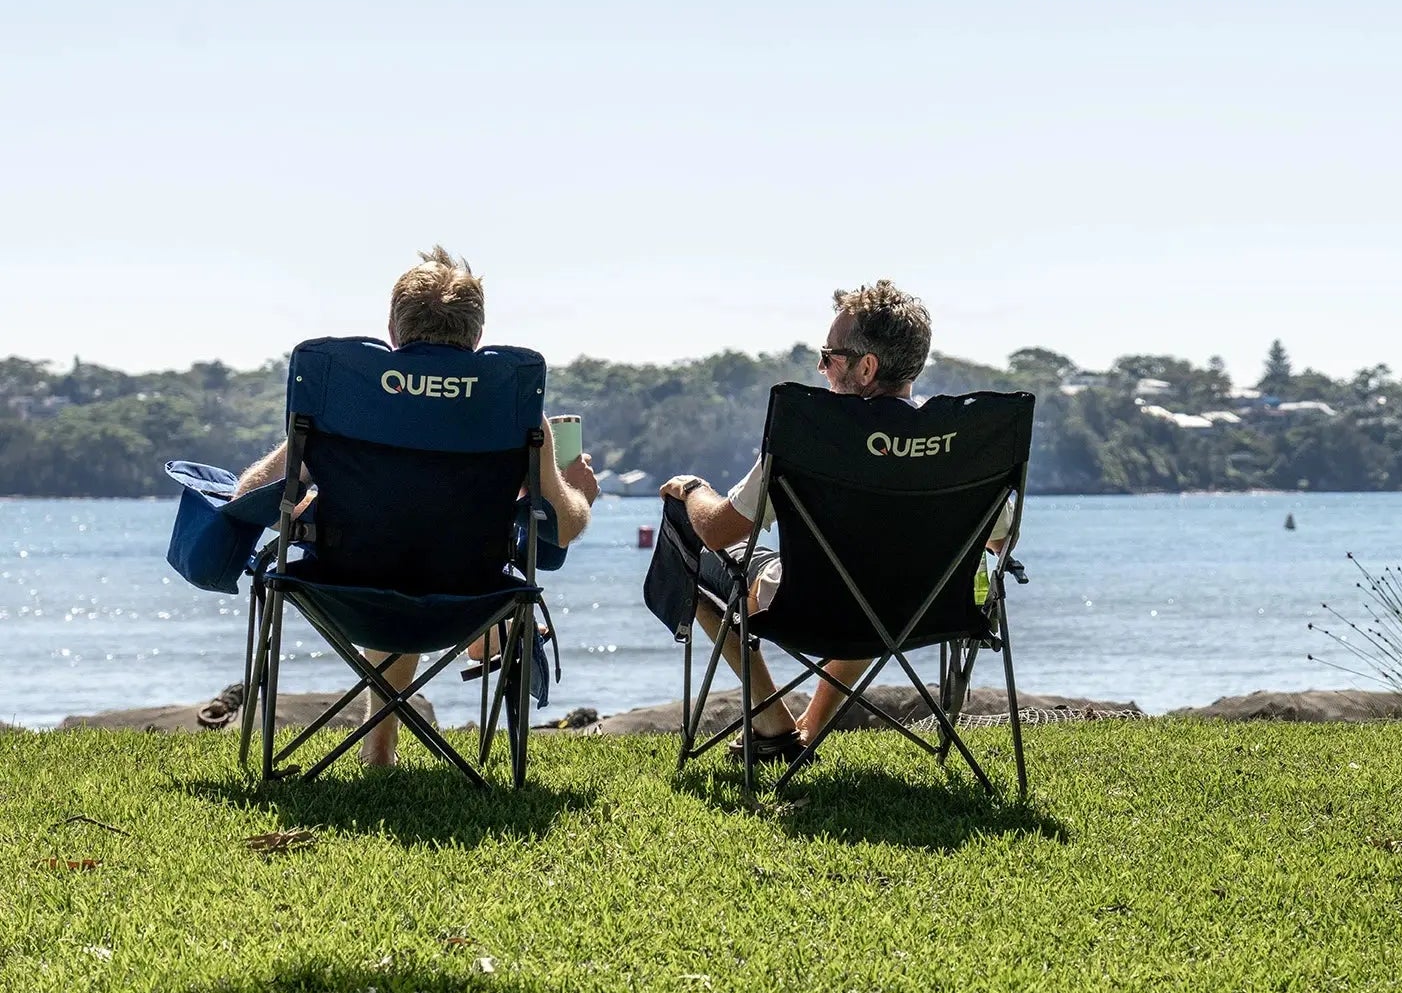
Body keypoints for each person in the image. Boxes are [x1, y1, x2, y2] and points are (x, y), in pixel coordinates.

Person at [234, 245, 600, 767]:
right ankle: (387, 739)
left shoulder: (343, 401)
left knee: (394, 540)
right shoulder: (514, 411)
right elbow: (561, 527)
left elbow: (247, 496)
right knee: (423, 543)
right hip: (470, 597)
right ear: (476, 336)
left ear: (393, 328)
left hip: (344, 590)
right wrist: (579, 490)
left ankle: (377, 748)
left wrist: (306, 443)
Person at [660, 279, 1015, 763]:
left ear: (866, 368)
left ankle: (772, 721)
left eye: (829, 355)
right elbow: (1002, 540)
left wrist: (692, 490)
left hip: (813, 607)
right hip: (930, 612)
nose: (820, 367)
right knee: (880, 575)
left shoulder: (808, 436)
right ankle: (809, 726)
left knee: (687, 538)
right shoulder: (961, 448)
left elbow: (718, 531)